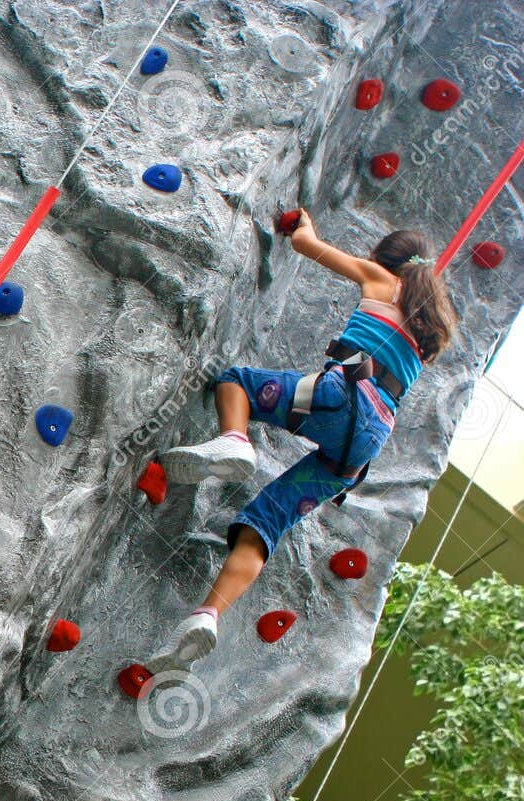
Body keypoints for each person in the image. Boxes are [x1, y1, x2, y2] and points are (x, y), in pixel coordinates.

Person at [148, 213, 457, 673]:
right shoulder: (426, 337)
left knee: (237, 383)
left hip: (341, 395)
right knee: (265, 525)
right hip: (361, 451)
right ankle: (208, 615)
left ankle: (235, 439)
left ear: (382, 260)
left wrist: (301, 226)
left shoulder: (379, 278)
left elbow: (309, 246)